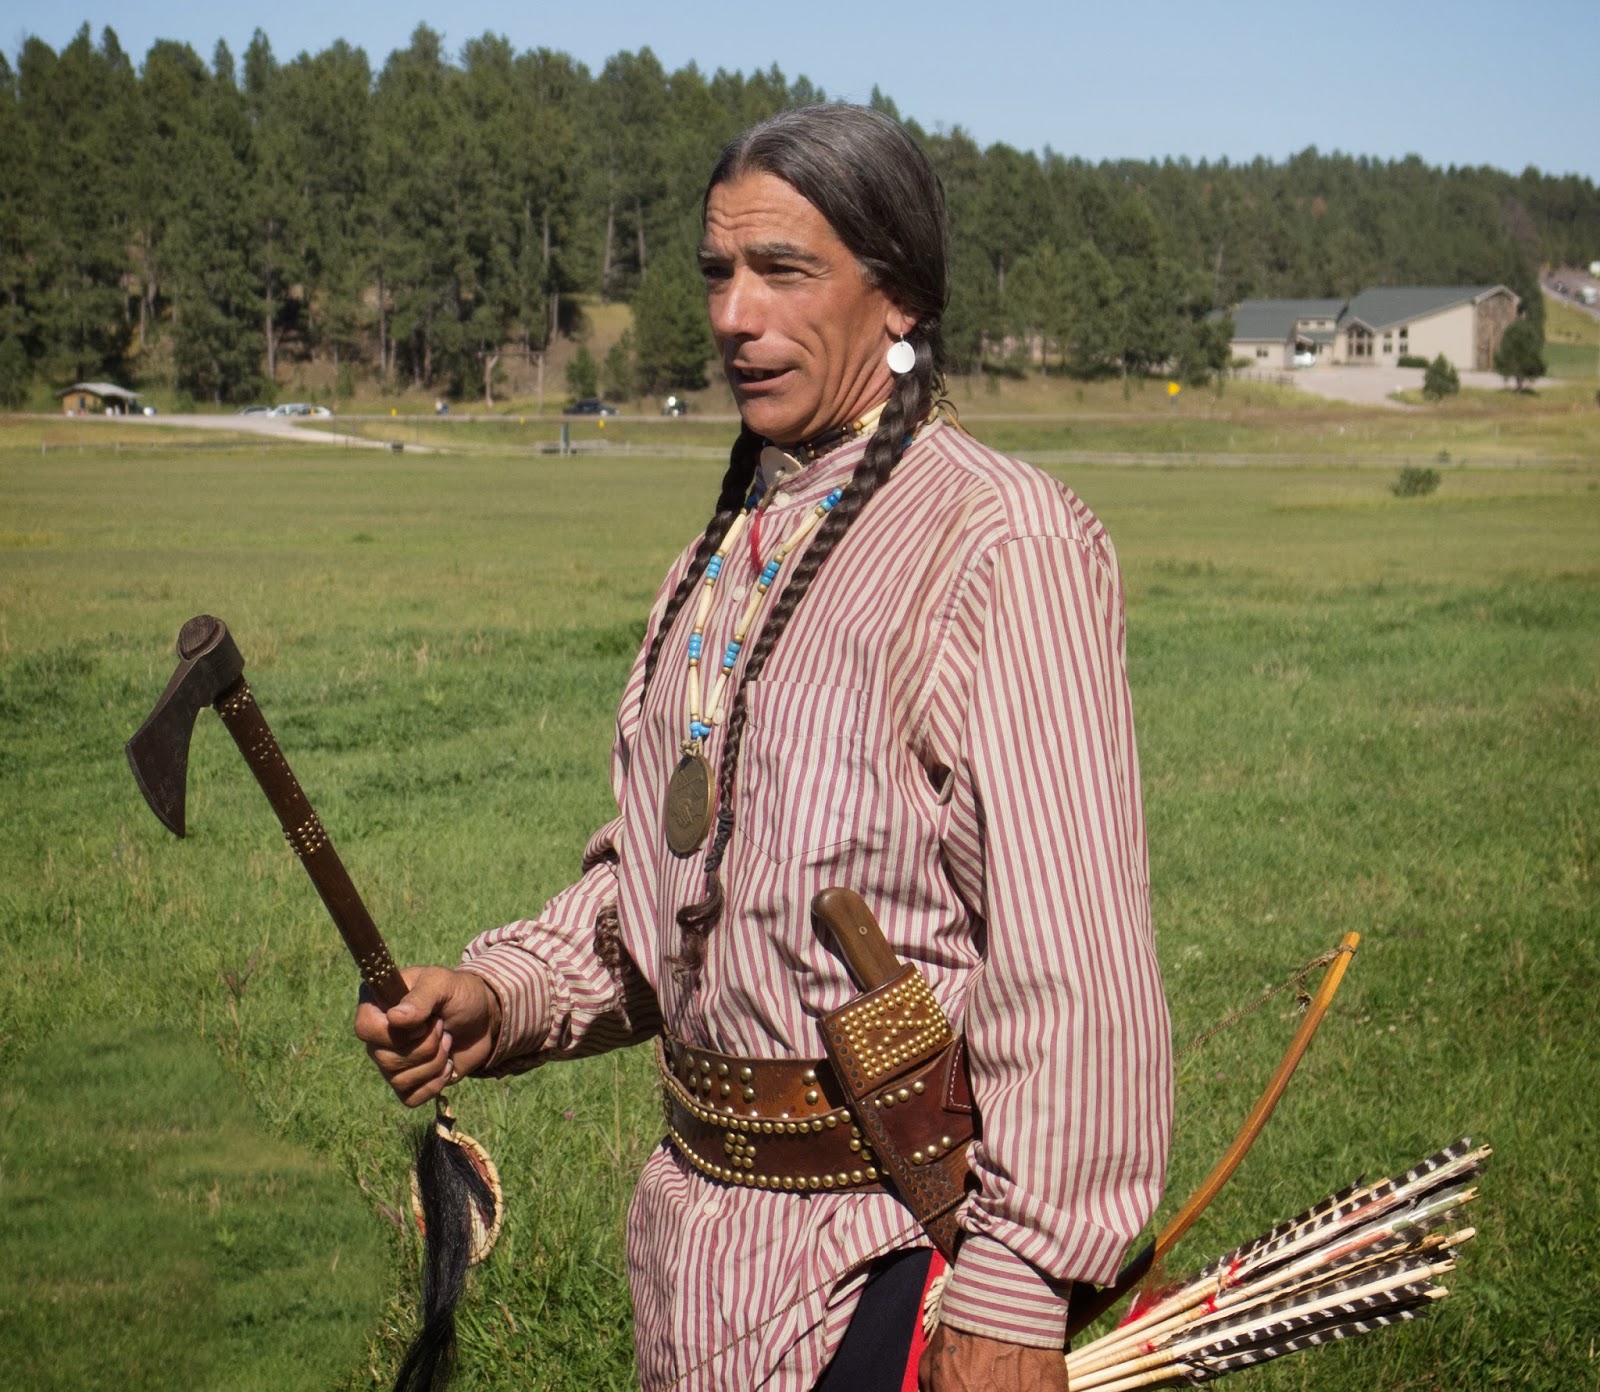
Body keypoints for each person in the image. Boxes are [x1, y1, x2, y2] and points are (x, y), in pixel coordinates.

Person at [356, 104, 1172, 1392]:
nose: (735, 315)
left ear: (897, 297)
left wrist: (1016, 1294)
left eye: (783, 270)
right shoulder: (719, 558)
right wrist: (502, 995)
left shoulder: (1001, 540)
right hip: (697, 1261)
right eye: (718, 274)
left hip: (897, 1260)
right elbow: (672, 896)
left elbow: (1071, 954)